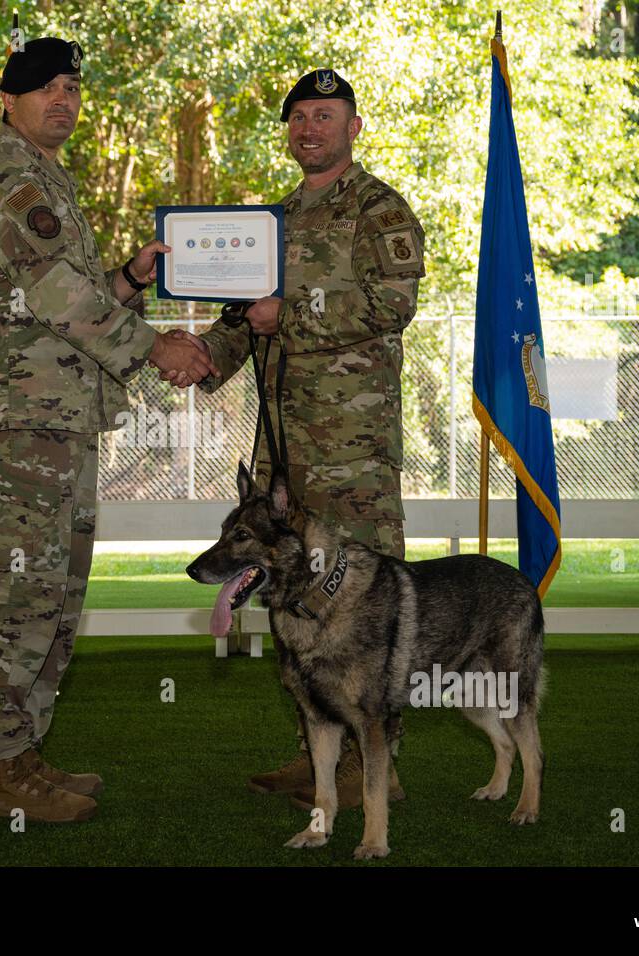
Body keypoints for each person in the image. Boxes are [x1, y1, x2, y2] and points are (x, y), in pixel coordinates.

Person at [0, 36, 219, 823]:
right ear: (7, 100)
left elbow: (64, 298)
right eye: (44, 89)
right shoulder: (5, 174)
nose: (61, 100)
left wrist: (131, 281)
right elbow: (59, 296)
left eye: (70, 88)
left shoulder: (46, 178)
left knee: (55, 595)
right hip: (21, 422)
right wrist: (156, 345)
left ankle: (21, 752)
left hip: (55, 419)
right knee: (20, 595)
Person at [166, 69, 426, 812]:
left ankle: (372, 767)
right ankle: (319, 751)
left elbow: (393, 304)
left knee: (363, 609)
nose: (309, 128)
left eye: (325, 115)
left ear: (353, 126)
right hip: (282, 457)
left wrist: (295, 314)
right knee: (292, 604)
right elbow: (246, 317)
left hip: (350, 453)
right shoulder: (269, 223)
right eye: (299, 119)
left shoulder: (380, 209)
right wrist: (203, 355)